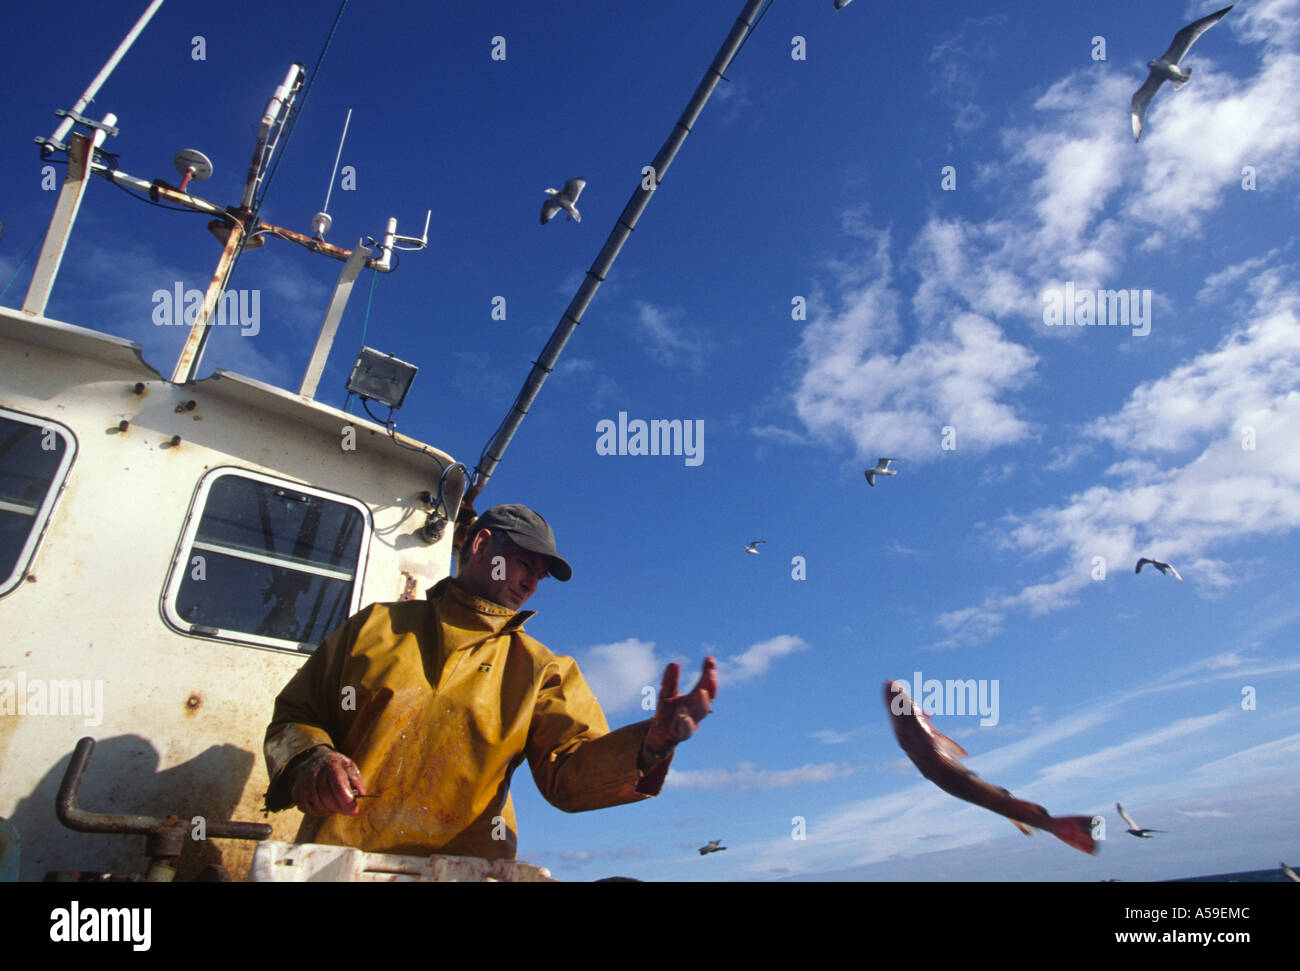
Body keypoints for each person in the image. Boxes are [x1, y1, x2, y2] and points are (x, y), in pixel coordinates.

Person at [263, 503, 717, 860]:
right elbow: (295, 716)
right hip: (336, 864)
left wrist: (651, 746)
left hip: (467, 871)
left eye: (539, 576)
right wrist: (312, 759)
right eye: (523, 564)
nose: (530, 583)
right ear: (480, 544)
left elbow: (569, 778)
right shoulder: (374, 626)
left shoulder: (542, 669)